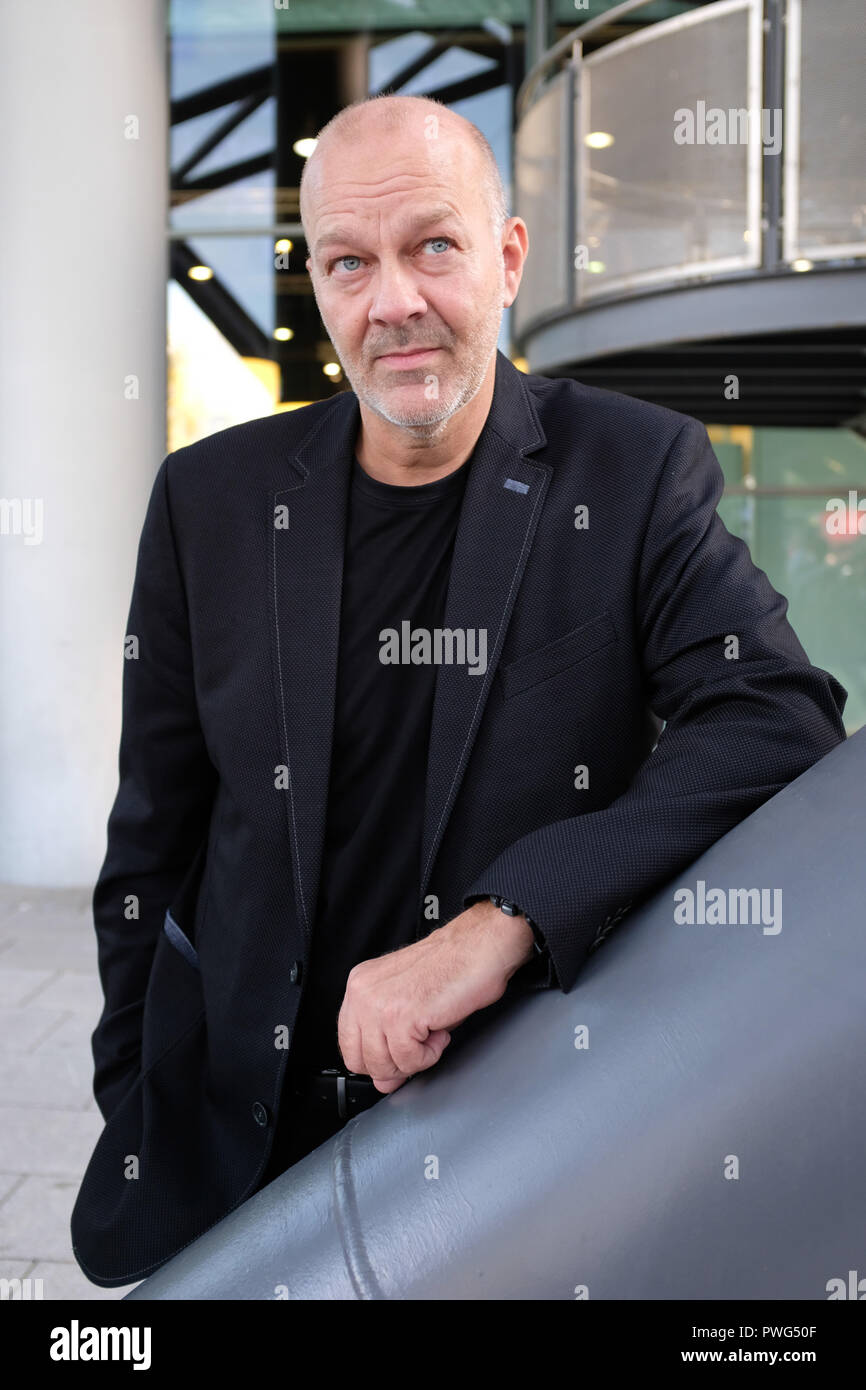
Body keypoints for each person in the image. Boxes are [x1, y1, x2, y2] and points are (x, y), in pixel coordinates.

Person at [71, 93, 847, 1287]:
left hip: (496, 1157)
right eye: (349, 261)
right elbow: (151, 845)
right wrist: (134, 1098)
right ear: (319, 284)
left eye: (432, 245)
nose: (393, 302)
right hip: (234, 1155)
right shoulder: (208, 501)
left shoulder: (630, 472)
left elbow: (775, 714)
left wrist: (502, 920)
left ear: (507, 255)